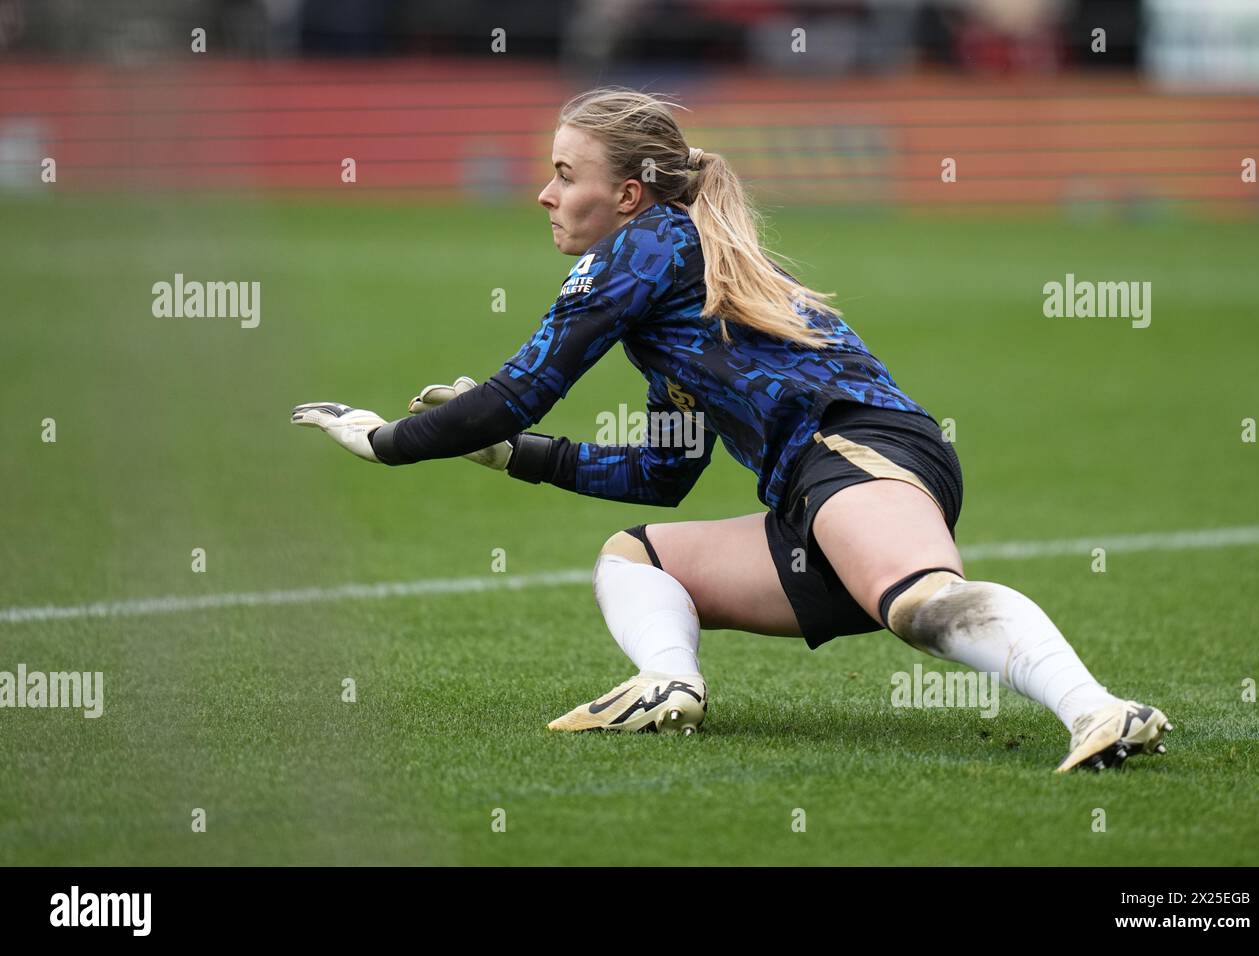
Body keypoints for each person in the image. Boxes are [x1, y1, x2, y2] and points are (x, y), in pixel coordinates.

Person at [292, 87, 1172, 772]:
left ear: (627, 193)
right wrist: (502, 452)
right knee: (636, 555)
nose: (544, 193)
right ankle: (669, 683)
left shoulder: (641, 249)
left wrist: (391, 442)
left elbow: (524, 386)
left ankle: (1098, 707)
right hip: (814, 486)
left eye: (566, 174)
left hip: (853, 451)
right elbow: (661, 476)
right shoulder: (667, 278)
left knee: (922, 604)